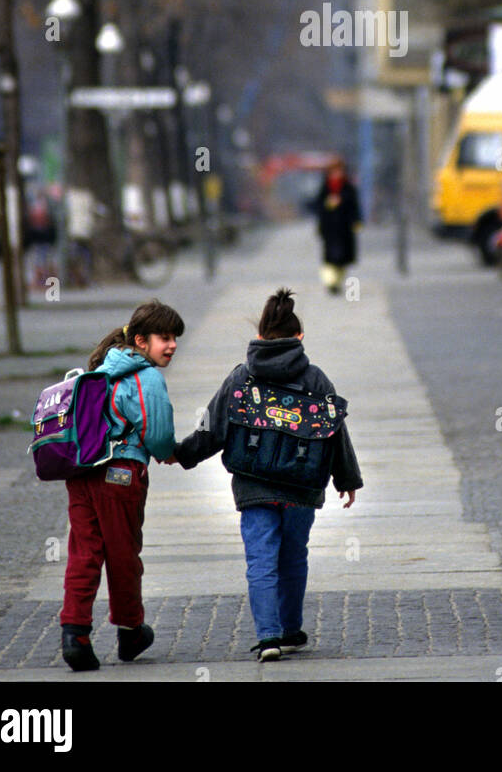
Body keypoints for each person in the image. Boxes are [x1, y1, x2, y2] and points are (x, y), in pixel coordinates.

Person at [171, 287, 362, 661]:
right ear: (300, 337)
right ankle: (291, 630)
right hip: (301, 486)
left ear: (259, 337)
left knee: (261, 560)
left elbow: (213, 429)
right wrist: (347, 480)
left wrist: (181, 454)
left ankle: (269, 637)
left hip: (253, 483)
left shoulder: (240, 378)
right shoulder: (316, 380)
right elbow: (335, 432)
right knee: (293, 558)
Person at [59, 298, 184, 672]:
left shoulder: (97, 369)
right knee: (123, 553)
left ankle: (75, 635)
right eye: (165, 337)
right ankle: (130, 631)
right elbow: (159, 435)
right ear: (141, 341)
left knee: (84, 553)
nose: (173, 345)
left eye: (175, 337)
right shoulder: (146, 378)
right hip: (121, 475)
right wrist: (169, 453)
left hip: (82, 474)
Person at [312, 157, 362, 294]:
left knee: (342, 257)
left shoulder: (349, 187)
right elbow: (317, 206)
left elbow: (354, 206)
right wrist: (327, 204)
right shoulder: (325, 188)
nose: (336, 174)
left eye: (339, 170)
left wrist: (356, 221)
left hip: (344, 228)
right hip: (329, 228)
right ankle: (330, 282)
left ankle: (338, 280)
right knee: (330, 256)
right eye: (334, 171)